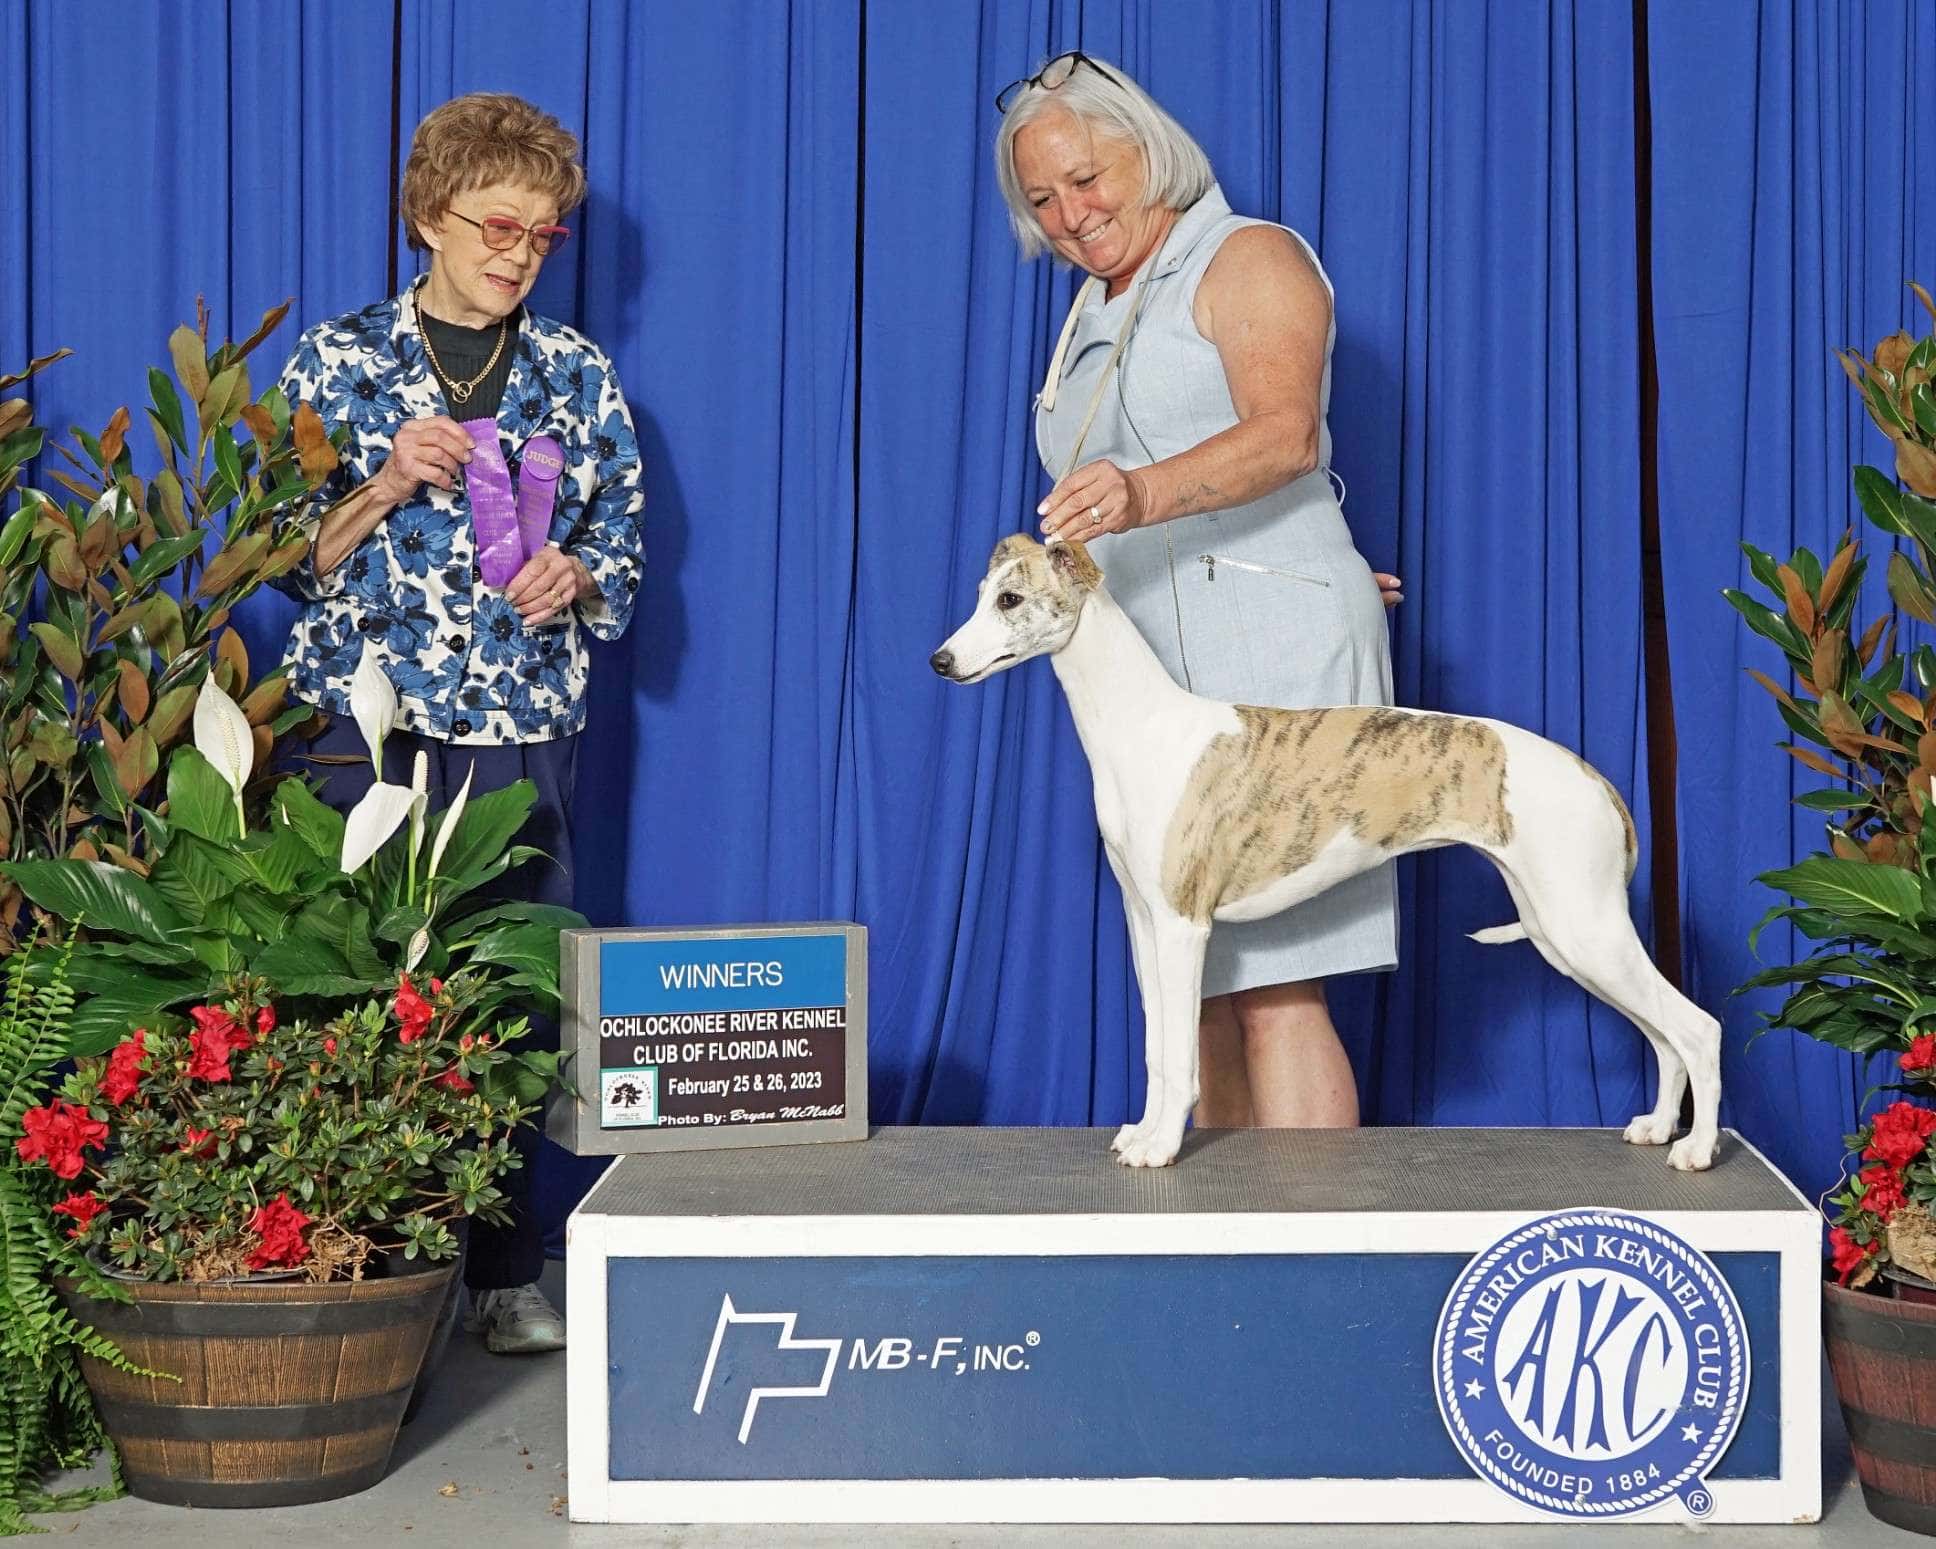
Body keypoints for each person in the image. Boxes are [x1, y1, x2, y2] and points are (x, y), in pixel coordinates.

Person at [272, 93, 643, 1352]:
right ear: (430, 216)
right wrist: (380, 481)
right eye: (497, 224)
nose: (518, 252)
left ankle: (501, 1271)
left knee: (510, 996)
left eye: (542, 235)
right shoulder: (334, 364)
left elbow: (625, 559)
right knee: (347, 988)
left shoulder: (577, 375)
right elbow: (277, 559)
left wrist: (576, 577)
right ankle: (349, 1263)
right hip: (357, 728)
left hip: (516, 722)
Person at [996, 53, 1400, 1133]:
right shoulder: (1099, 302)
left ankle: (1321, 1269)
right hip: (1153, 667)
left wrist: (1147, 498)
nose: (1071, 214)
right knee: (1201, 983)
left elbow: (1284, 434)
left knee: (1278, 981)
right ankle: (1226, 1272)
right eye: (1042, 199)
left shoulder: (1246, 254)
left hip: (1265, 656)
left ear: (1151, 149)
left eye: (1087, 178)